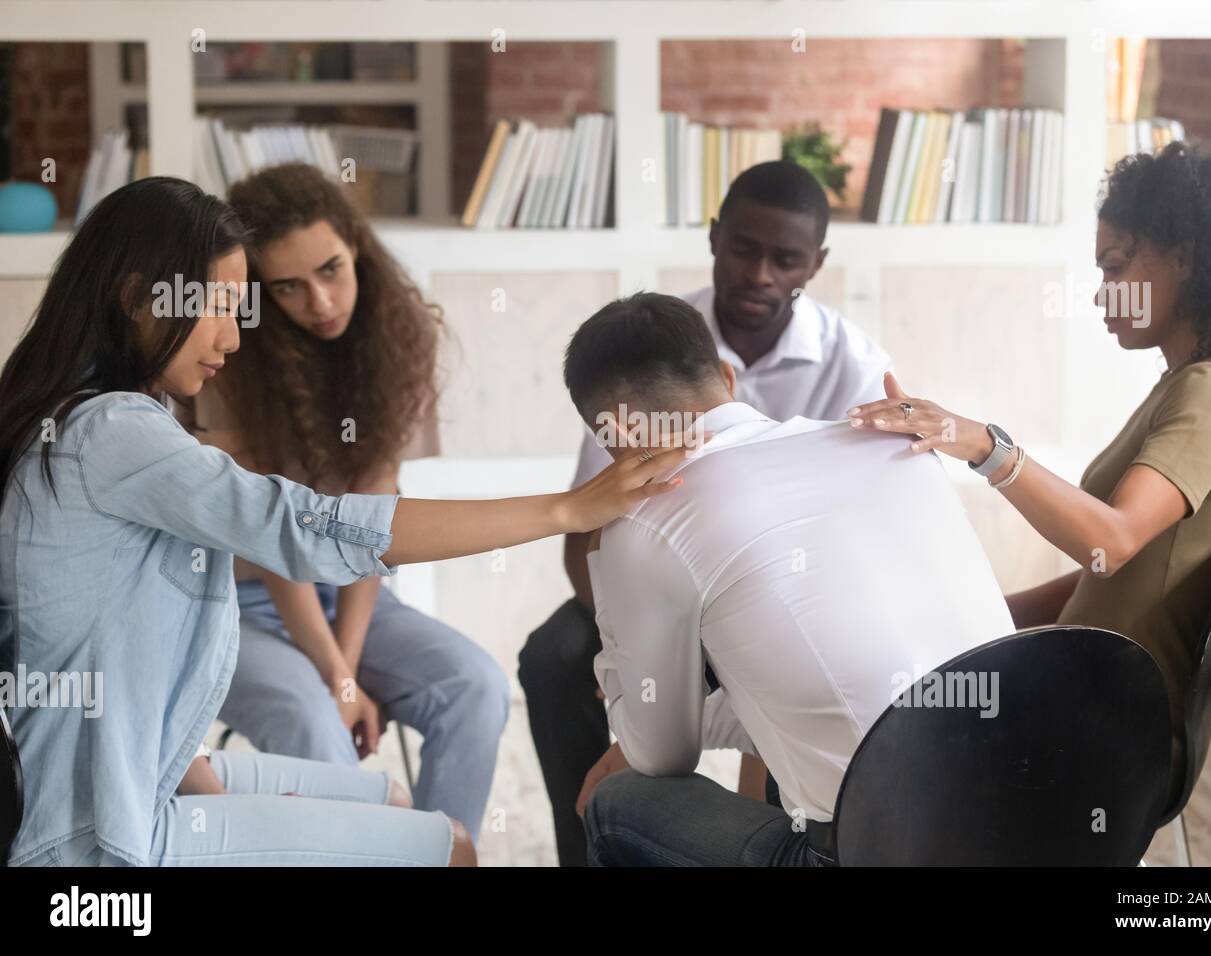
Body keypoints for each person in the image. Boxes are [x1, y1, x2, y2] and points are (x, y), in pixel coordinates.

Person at [0, 177, 690, 867]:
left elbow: (127, 648)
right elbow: (305, 530)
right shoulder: (115, 432)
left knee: (393, 801)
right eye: (215, 307)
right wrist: (566, 509)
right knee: (446, 848)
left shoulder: (92, 416)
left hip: (142, 774)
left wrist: (207, 782)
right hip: (97, 831)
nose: (233, 338)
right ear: (134, 299)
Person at [848, 144, 1211, 798]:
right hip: (1089, 691)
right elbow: (1108, 583)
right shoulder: (1197, 383)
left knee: (851, 717)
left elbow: (1109, 543)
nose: (1099, 291)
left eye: (1115, 266)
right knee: (871, 691)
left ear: (1186, 259)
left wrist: (984, 445)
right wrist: (978, 619)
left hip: (1111, 727)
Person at [518, 160, 893, 865]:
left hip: (790, 593)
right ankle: (585, 850)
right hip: (652, 581)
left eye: (785, 259)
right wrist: (637, 632)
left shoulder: (855, 363)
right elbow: (587, 526)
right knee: (552, 657)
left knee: (766, 670)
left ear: (817, 264)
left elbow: (864, 519)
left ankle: (760, 834)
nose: (759, 274)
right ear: (714, 238)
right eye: (745, 249)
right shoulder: (648, 346)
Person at [563, 292, 1012, 866]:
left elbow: (661, 756)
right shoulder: (891, 443)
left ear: (613, 434)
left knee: (618, 799)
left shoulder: (647, 523)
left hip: (881, 854)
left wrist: (621, 664)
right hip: (1034, 805)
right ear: (727, 375)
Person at [181, 163, 507, 839]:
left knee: (474, 685)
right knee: (311, 715)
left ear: (356, 244)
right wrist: (335, 679)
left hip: (351, 589)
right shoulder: (227, 357)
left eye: (331, 270)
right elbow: (270, 535)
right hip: (231, 599)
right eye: (290, 288)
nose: (322, 302)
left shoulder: (399, 336)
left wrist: (348, 667)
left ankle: (436, 860)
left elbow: (373, 521)